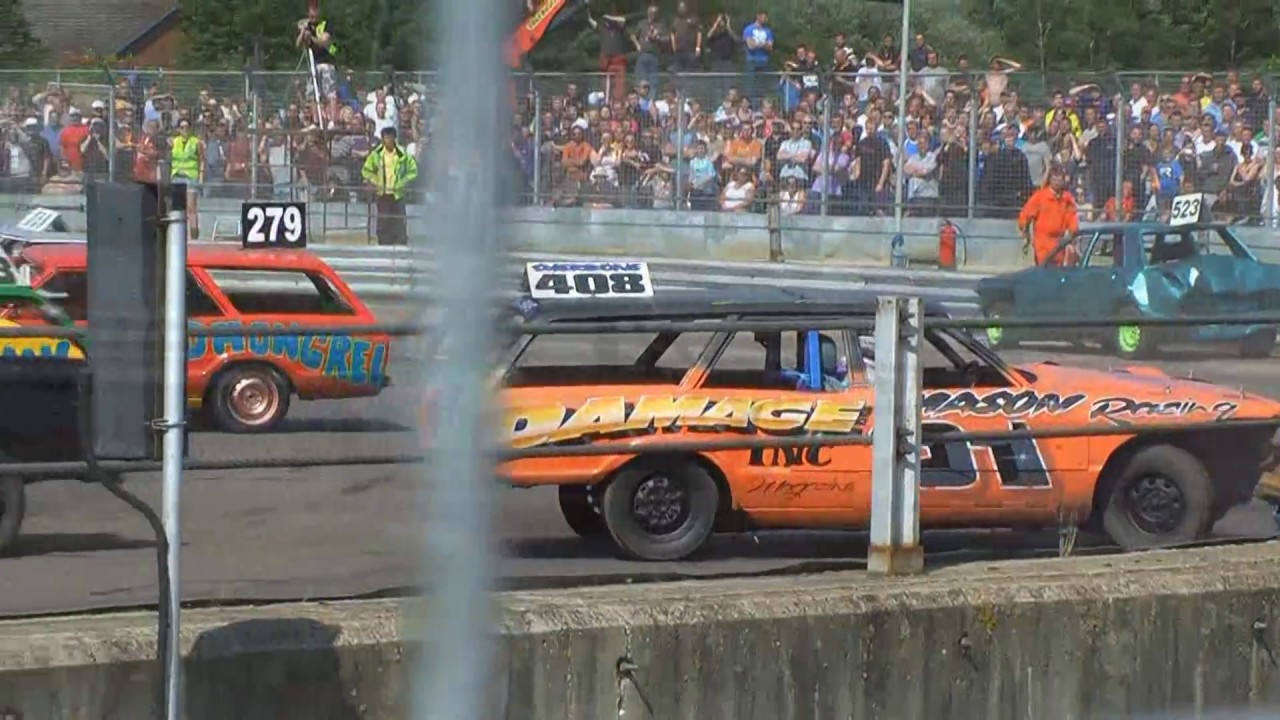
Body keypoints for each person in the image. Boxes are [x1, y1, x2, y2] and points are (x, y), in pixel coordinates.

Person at [360, 126, 418, 246]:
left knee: (398, 221)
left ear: (394, 138)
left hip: (397, 194)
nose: (388, 140)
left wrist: (402, 182)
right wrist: (376, 181)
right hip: (383, 193)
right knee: (383, 221)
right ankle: (383, 244)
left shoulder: (403, 155)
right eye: (385, 138)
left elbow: (413, 171)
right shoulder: (376, 154)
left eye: (390, 137)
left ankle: (400, 244)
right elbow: (366, 170)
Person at [1017, 164, 1080, 267]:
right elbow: (1025, 215)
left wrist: (1073, 234)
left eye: (1060, 179)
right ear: (1050, 179)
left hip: (1060, 243)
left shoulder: (1066, 198)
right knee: (1045, 272)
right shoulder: (1040, 197)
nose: (1057, 182)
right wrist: (1025, 232)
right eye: (1055, 178)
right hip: (1043, 244)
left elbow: (1072, 217)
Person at [296, 5, 338, 105]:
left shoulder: (326, 25)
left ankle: (331, 119)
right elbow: (298, 45)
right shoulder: (308, 27)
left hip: (327, 62)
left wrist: (311, 37)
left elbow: (323, 42)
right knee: (312, 94)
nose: (312, 19)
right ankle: (315, 119)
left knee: (330, 93)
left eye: (314, 16)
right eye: (311, 16)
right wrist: (302, 32)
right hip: (313, 63)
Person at [170, 118, 202, 240]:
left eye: (187, 127)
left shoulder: (195, 142)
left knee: (191, 207)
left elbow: (201, 159)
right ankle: (177, 236)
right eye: (182, 127)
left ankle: (194, 236)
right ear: (178, 129)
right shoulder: (174, 141)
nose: (185, 130)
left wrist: (201, 175)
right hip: (177, 176)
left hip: (190, 176)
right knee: (177, 208)